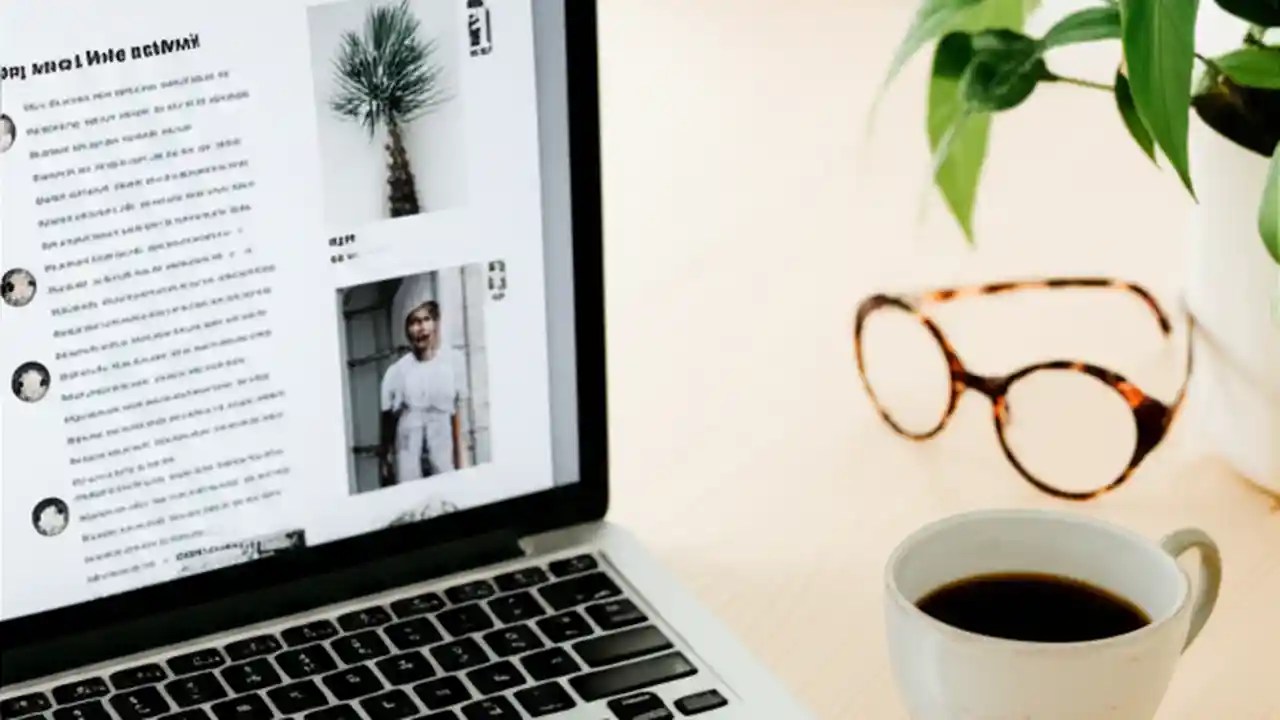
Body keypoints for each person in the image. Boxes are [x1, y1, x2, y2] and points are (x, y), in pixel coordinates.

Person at [378, 282, 468, 485]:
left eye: (426, 319)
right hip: (409, 457)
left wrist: (462, 464)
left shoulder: (452, 363)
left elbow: (456, 419)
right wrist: (386, 463)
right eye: (414, 322)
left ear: (435, 323)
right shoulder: (396, 373)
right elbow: (386, 427)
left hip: (443, 456)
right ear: (406, 329)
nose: (421, 328)